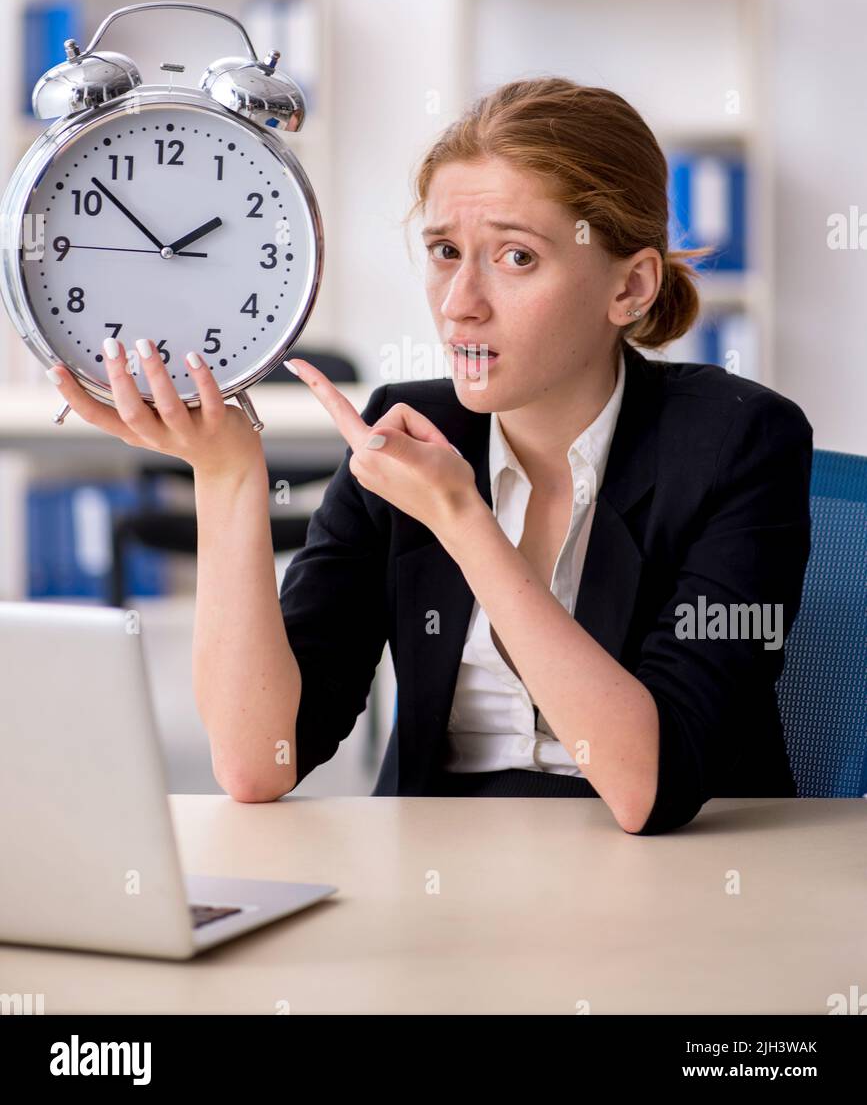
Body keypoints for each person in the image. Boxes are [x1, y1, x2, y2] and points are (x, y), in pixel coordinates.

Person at [46, 77, 813, 836]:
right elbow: (258, 760)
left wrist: (460, 517)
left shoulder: (739, 441)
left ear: (630, 286)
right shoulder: (408, 425)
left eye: (515, 257)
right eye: (445, 251)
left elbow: (651, 785)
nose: (458, 303)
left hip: (673, 890)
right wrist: (225, 477)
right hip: (440, 872)